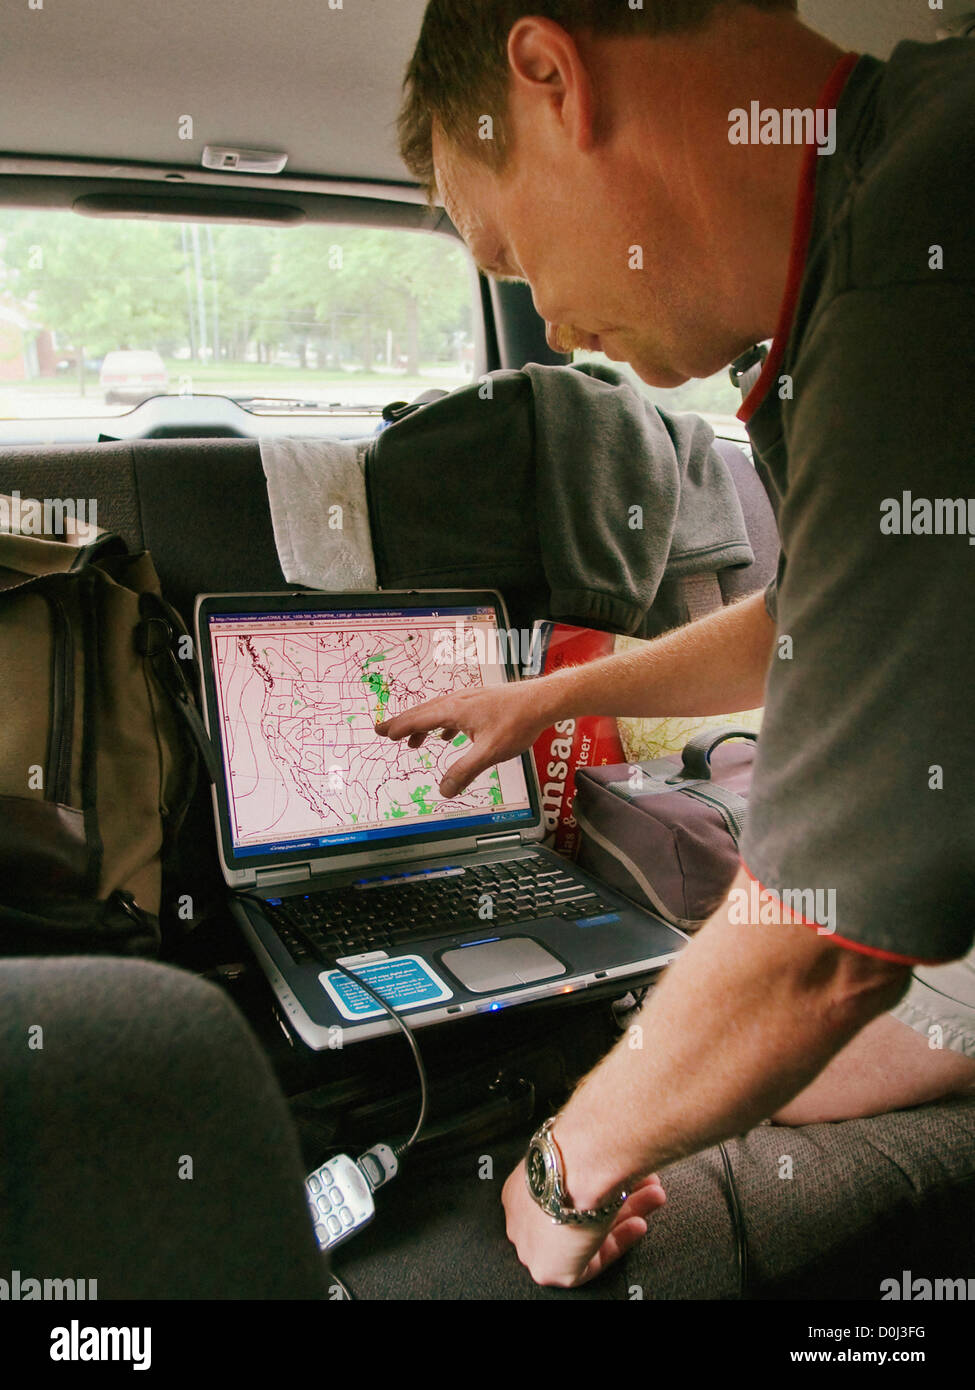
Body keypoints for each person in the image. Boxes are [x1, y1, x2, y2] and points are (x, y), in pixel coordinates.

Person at [377, 0, 975, 1288]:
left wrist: (562, 1171)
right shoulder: (892, 193)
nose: (541, 323)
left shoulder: (911, 265)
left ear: (552, 81)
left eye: (510, 250)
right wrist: (546, 700)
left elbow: (823, 943)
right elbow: (822, 615)